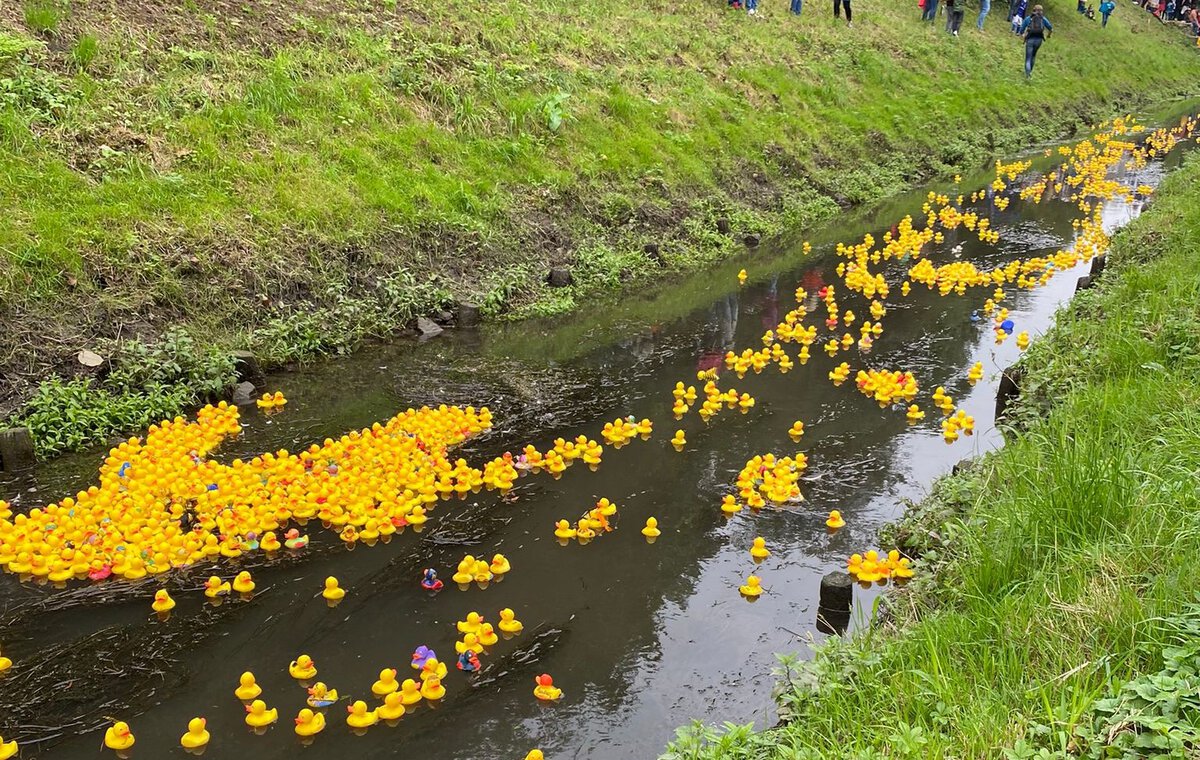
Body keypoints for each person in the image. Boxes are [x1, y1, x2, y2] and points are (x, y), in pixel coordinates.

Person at [1019, 5, 1052, 78]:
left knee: (1028, 57)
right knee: (1033, 56)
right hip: (1039, 40)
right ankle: (1030, 72)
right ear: (1041, 11)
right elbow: (1050, 27)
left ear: (1033, 10)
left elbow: (1021, 30)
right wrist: (1048, 35)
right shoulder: (1043, 19)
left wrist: (1023, 35)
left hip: (1030, 39)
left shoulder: (1028, 18)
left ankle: (1027, 75)